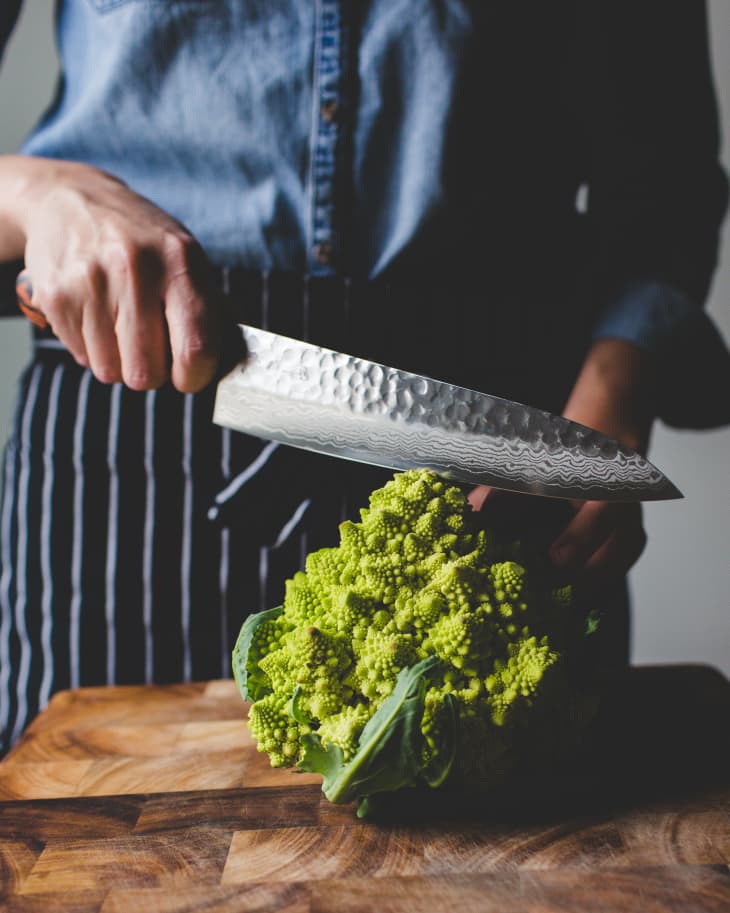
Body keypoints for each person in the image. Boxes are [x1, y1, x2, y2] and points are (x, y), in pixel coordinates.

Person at [0, 0, 728, 755]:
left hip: (494, 477)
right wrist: (37, 196)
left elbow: (665, 188)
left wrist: (611, 400)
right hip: (134, 438)